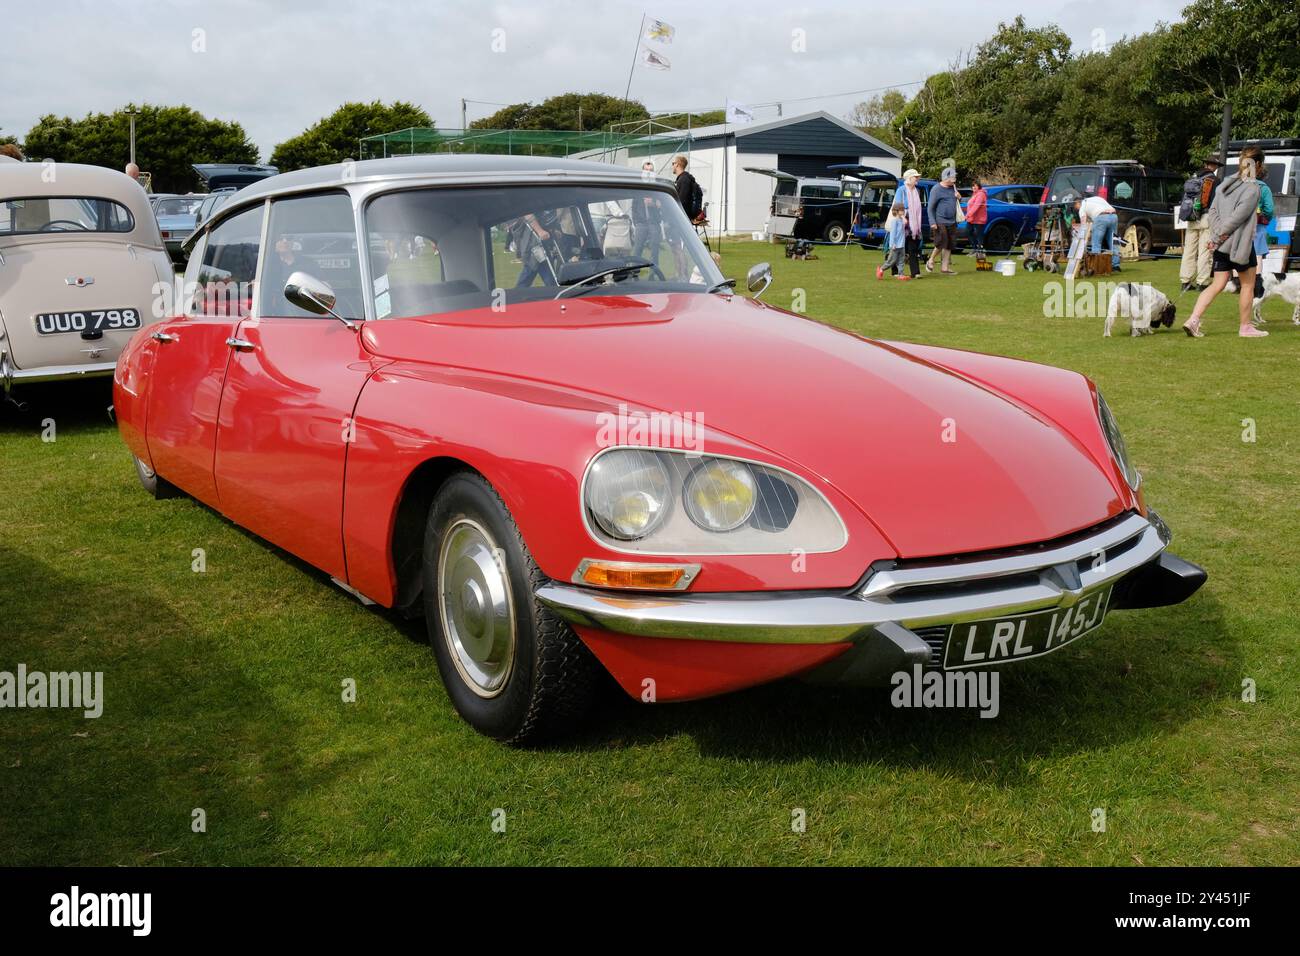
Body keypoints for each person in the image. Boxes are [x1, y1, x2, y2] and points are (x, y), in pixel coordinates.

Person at [1182, 147, 1267, 339]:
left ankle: (1193, 319)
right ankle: (1245, 327)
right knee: (1248, 285)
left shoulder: (1225, 184)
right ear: (1258, 165)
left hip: (1222, 244)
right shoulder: (1253, 188)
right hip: (1240, 246)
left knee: (1217, 284)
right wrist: (1219, 236)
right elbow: (1238, 217)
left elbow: (1212, 213)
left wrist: (1216, 237)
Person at [1179, 157, 1222, 291]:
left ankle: (1185, 281)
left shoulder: (1194, 177)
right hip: (1206, 217)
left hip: (1192, 217)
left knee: (1189, 250)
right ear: (1214, 166)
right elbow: (1217, 202)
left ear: (1205, 164)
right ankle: (1202, 282)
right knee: (1204, 251)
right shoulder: (1215, 181)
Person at [926, 167, 960, 274]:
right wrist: (932, 222)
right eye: (953, 176)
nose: (955, 178)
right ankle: (930, 260)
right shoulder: (936, 189)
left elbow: (956, 202)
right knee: (941, 242)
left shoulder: (953, 188)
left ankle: (944, 268)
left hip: (952, 221)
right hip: (940, 221)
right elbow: (930, 207)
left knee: (950, 244)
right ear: (946, 178)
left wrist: (959, 197)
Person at [1074, 193, 1121, 272]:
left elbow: (1083, 224)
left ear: (1077, 203)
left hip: (1101, 217)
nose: (1076, 209)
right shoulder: (1096, 198)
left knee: (1096, 243)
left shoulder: (1082, 207)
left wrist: (1082, 235)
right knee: (1113, 242)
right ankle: (1116, 266)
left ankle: (1096, 267)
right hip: (1114, 216)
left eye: (1075, 207)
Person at [631, 161, 663, 267]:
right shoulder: (638, 187)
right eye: (646, 170)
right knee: (637, 249)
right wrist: (636, 222)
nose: (648, 173)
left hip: (654, 223)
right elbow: (634, 206)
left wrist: (652, 203)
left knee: (655, 251)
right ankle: (634, 272)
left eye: (650, 171)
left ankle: (654, 274)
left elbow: (661, 204)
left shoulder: (657, 186)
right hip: (641, 223)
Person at [897, 169, 925, 278]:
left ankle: (915, 272)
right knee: (898, 247)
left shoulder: (916, 191)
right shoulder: (901, 190)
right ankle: (894, 269)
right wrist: (903, 217)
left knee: (913, 248)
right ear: (909, 178)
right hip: (902, 221)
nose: (917, 179)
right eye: (915, 177)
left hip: (913, 224)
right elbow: (898, 206)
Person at [876, 203, 909, 280]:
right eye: (901, 210)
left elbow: (906, 222)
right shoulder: (894, 221)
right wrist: (893, 244)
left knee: (901, 260)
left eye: (903, 210)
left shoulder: (901, 220)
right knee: (891, 261)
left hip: (901, 245)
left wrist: (903, 217)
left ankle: (901, 275)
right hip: (895, 245)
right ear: (897, 211)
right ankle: (881, 269)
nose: (903, 211)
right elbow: (893, 233)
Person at [965, 179, 988, 259]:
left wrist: (968, 215)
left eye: (975, 185)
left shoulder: (981, 194)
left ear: (978, 186)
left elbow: (976, 206)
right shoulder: (974, 194)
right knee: (968, 232)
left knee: (978, 235)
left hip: (979, 219)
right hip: (971, 219)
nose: (973, 187)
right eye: (972, 186)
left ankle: (979, 250)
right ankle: (974, 249)